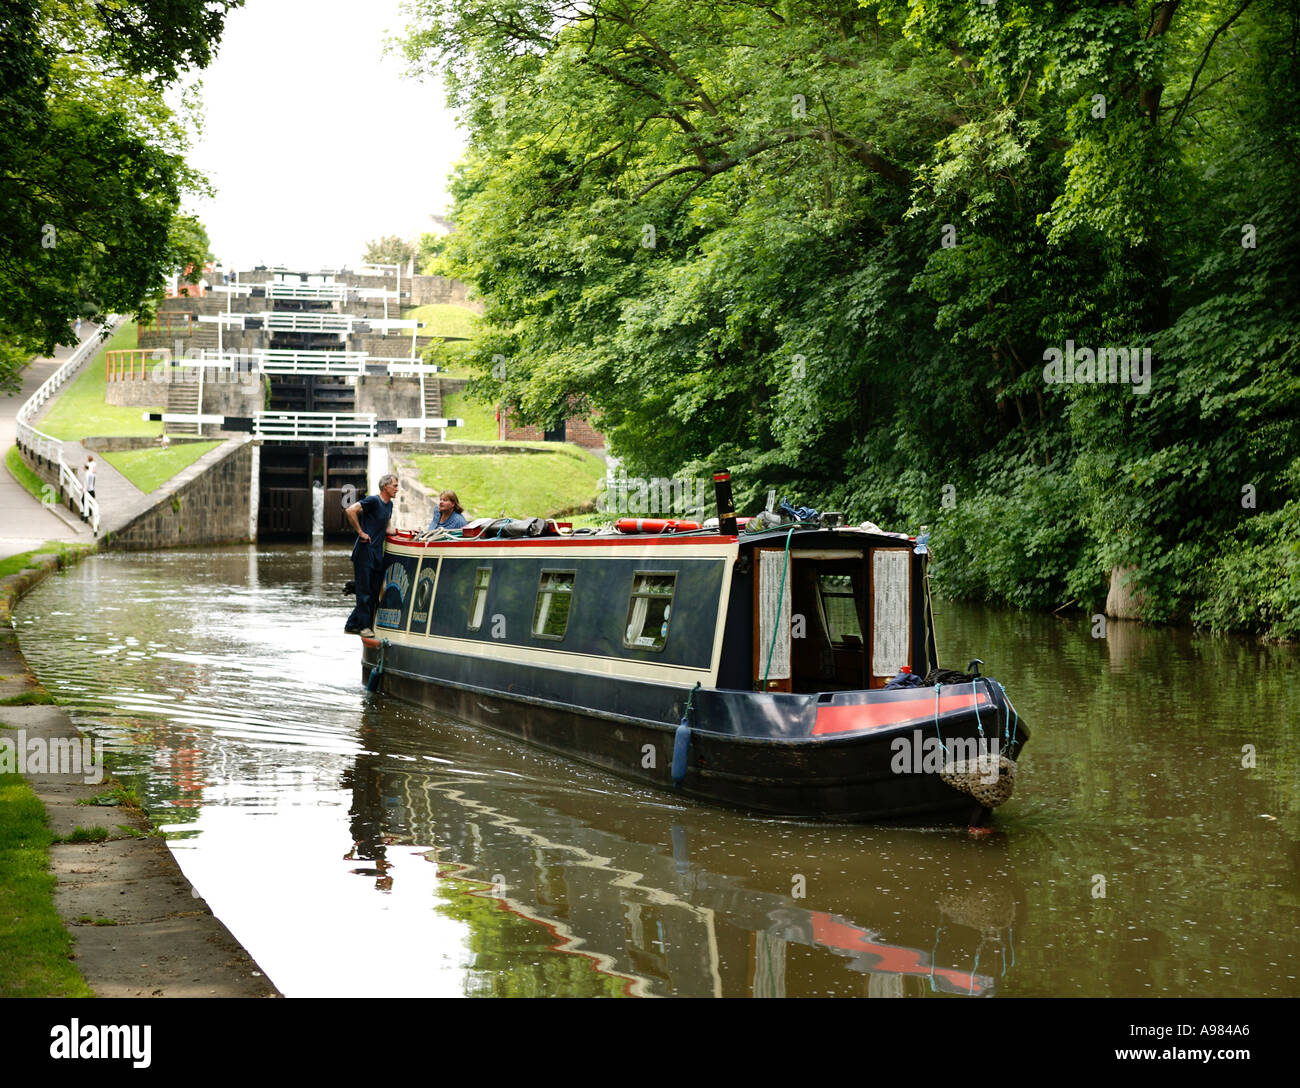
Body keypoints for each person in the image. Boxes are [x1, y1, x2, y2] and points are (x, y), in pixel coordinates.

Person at [344, 474, 399, 636]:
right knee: (364, 591)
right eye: (395, 486)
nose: (397, 489)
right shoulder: (373, 501)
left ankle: (352, 624)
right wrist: (360, 532)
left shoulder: (390, 505)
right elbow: (350, 510)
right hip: (364, 551)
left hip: (376, 553)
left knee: (374, 592)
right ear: (385, 487)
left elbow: (387, 529)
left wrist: (405, 533)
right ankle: (363, 627)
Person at [81, 457, 96, 521]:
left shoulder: (87, 474)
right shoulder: (91, 474)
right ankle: (89, 512)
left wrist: (84, 490)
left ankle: (88, 512)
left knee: (83, 500)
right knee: (90, 501)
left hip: (88, 490)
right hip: (92, 489)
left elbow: (86, 482)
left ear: (85, 468)